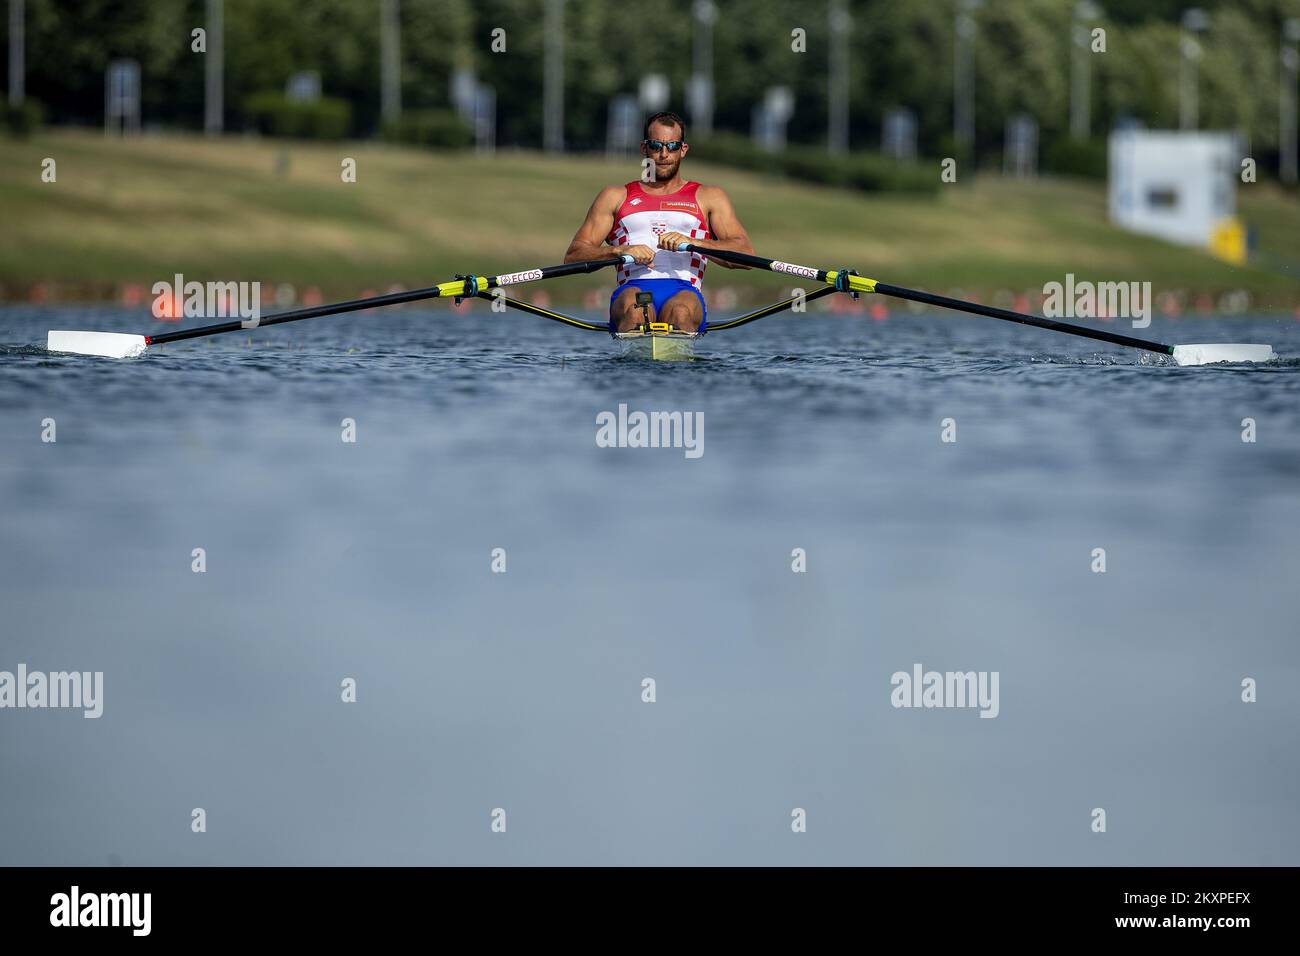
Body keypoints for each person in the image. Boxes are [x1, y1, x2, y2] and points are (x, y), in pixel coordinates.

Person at [563, 110, 755, 333]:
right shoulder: (615, 196)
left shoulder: (709, 197)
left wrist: (693, 243)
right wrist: (620, 251)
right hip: (632, 289)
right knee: (636, 310)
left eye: (672, 146)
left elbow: (746, 254)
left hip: (685, 291)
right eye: (656, 146)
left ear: (683, 150)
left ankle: (669, 358)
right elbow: (574, 255)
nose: (664, 154)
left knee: (681, 312)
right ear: (644, 148)